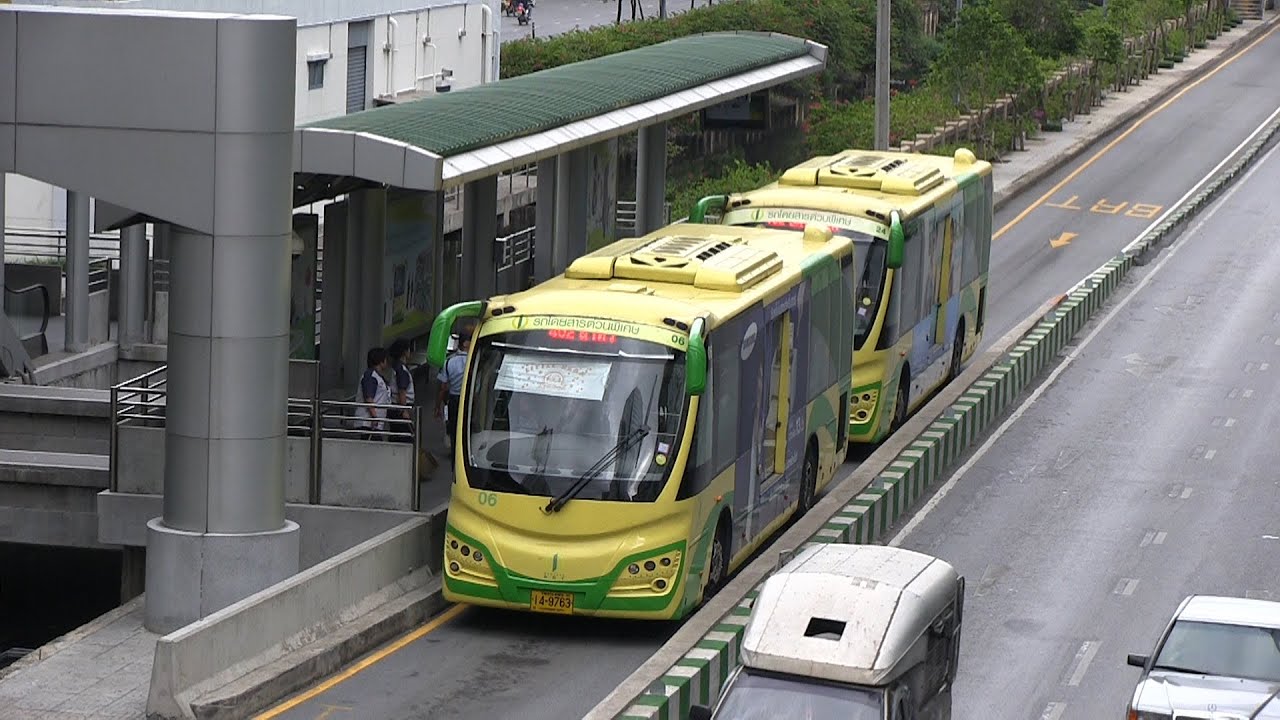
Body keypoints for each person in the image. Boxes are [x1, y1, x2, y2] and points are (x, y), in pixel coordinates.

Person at [435, 329, 472, 451]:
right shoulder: (475, 361)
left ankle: (455, 455)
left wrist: (437, 406)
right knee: (468, 428)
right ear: (467, 343)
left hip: (453, 400)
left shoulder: (449, 362)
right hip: (470, 400)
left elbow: (443, 387)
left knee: (454, 429)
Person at [355, 347, 392, 441]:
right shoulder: (370, 377)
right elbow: (369, 398)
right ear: (381, 361)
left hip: (373, 423)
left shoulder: (377, 377)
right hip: (368, 423)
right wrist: (374, 417)